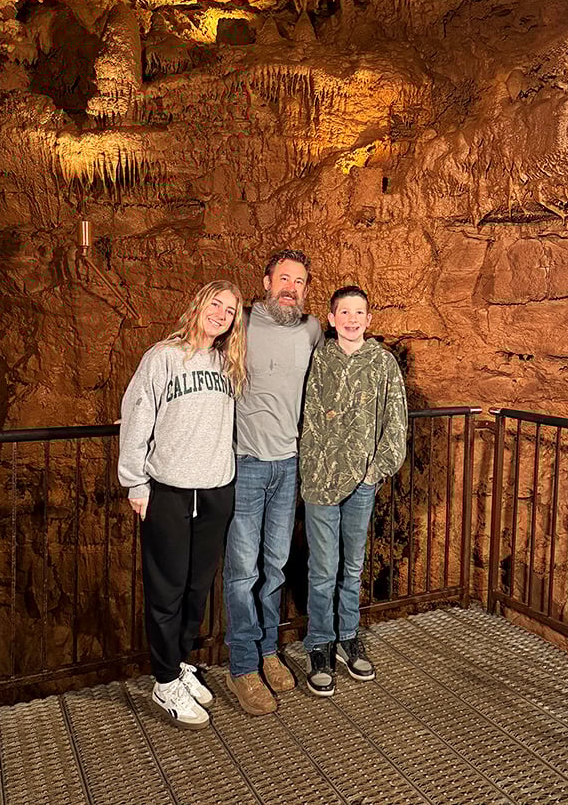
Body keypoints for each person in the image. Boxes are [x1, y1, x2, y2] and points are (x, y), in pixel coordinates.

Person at [118, 280, 246, 729]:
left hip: (215, 489)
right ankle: (164, 680)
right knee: (167, 588)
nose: (222, 314)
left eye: (230, 311)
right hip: (169, 491)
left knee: (197, 586)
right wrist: (136, 483)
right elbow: (137, 416)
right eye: (216, 304)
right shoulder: (162, 357)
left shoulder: (227, 363)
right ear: (198, 304)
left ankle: (178, 661)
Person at [224, 250, 323, 715]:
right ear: (266, 282)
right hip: (246, 464)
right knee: (243, 572)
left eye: (299, 282)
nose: (291, 288)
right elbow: (193, 354)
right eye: (284, 278)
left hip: (288, 465)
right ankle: (243, 666)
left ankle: (267, 650)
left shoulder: (311, 329)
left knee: (275, 567)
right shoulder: (239, 324)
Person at [299, 285, 407, 697]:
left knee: (352, 566)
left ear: (368, 319)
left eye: (358, 312)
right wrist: (310, 466)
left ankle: (348, 637)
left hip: (361, 483)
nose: (351, 319)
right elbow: (304, 414)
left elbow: (395, 421)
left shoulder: (381, 363)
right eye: (344, 312)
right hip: (321, 481)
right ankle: (319, 644)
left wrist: (374, 471)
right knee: (323, 569)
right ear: (331, 318)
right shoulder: (318, 359)